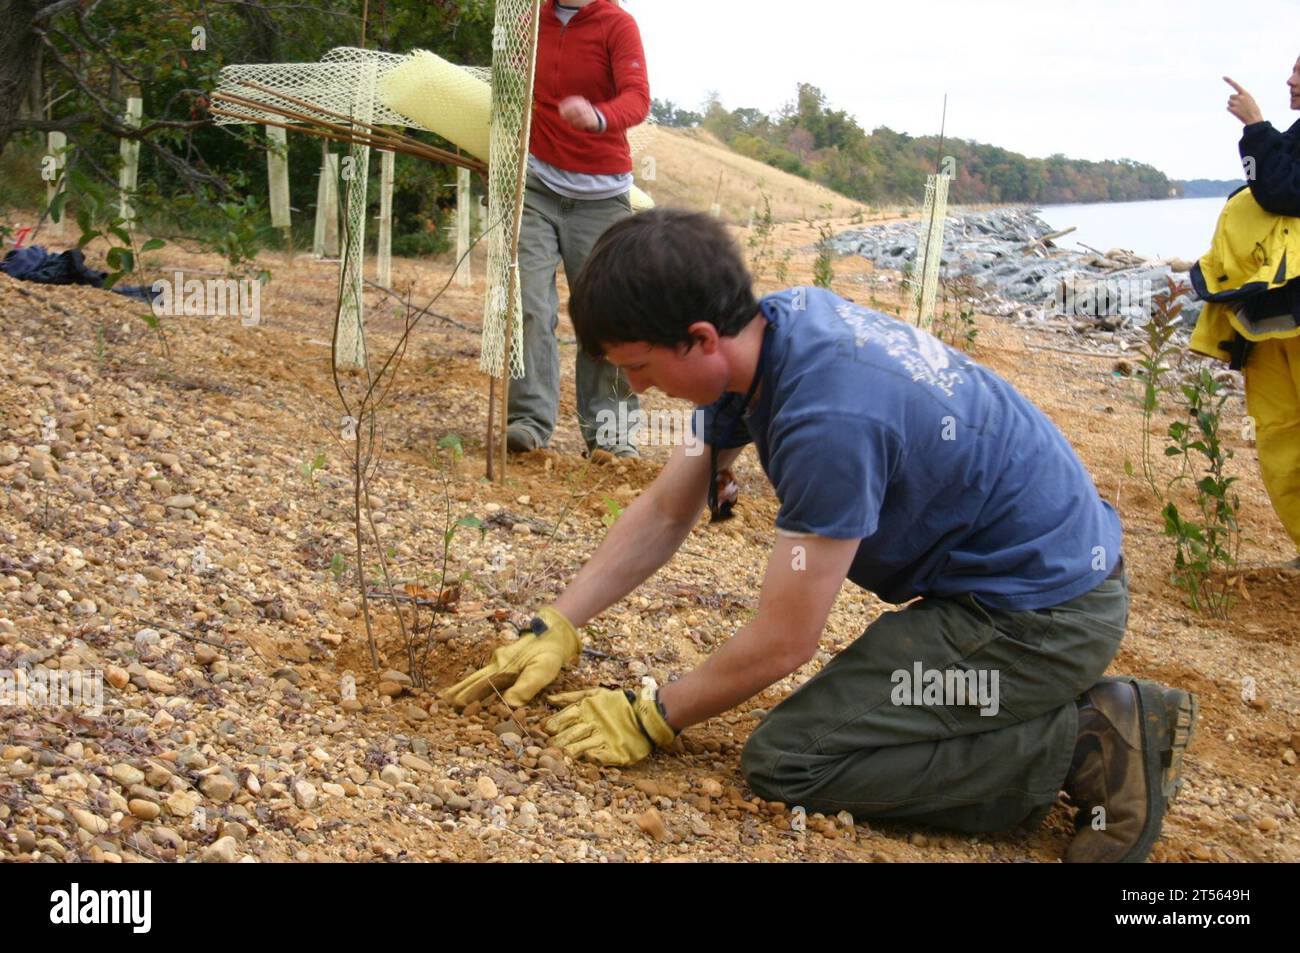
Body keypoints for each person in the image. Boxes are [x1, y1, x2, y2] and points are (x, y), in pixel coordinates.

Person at [443, 209, 1198, 863]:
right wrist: (560, 620)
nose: (638, 389)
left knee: (791, 759)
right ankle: (1047, 719)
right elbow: (670, 508)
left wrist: (654, 713)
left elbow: (784, 640)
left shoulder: (827, 420)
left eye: (640, 367)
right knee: (836, 727)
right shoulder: (775, 331)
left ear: (701, 337)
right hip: (1021, 579)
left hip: (1042, 614)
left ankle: (1086, 738)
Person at [506, 0, 649, 457]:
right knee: (529, 302)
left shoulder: (617, 24)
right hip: (536, 187)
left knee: (605, 314)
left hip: (602, 198)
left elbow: (638, 98)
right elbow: (510, 78)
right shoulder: (529, 18)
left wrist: (600, 115)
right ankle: (528, 423)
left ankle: (610, 433)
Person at [1189, 62, 1300, 567]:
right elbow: (1265, 183)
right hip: (1273, 317)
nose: (1291, 82)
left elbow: (1282, 192)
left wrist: (1256, 125)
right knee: (1279, 433)